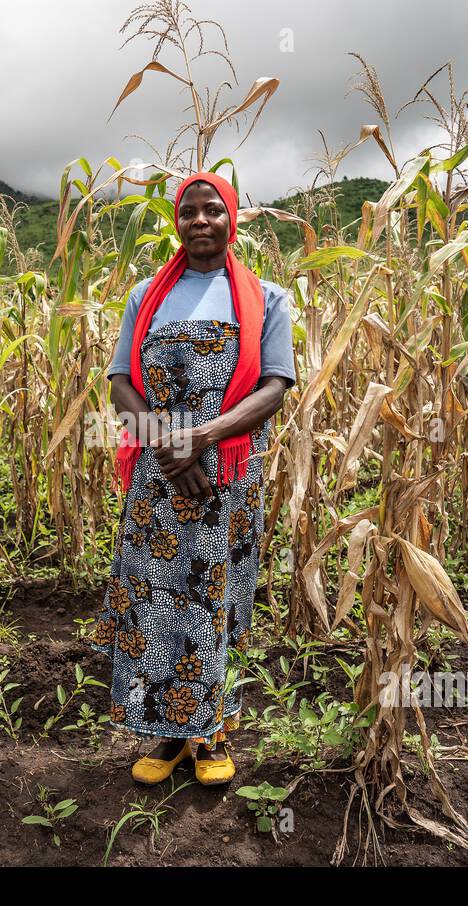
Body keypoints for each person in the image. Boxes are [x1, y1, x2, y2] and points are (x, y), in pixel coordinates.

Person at [90, 170, 296, 786]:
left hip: (226, 478)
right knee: (157, 600)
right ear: (176, 223)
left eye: (212, 210)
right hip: (159, 477)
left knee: (214, 601)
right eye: (189, 213)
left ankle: (212, 735)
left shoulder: (267, 299)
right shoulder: (145, 296)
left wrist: (201, 439)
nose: (200, 221)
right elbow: (121, 381)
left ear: (231, 219)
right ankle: (168, 732)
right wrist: (164, 446)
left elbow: (275, 387)